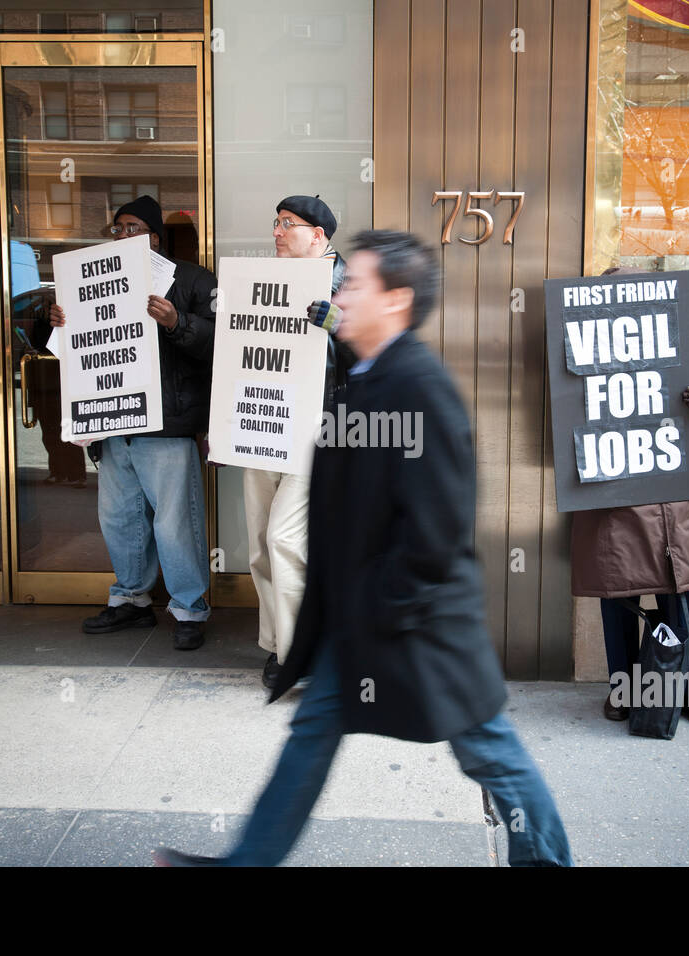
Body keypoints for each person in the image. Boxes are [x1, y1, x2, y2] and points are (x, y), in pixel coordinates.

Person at [156, 230, 572, 866]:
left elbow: (437, 531)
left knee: (489, 754)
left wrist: (380, 609)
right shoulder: (364, 373)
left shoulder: (421, 389)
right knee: (312, 735)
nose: (340, 294)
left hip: (420, 625)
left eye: (354, 285)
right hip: (364, 618)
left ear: (397, 300)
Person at [50, 196, 216, 649]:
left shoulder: (192, 280)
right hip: (113, 422)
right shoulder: (93, 282)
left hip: (167, 424)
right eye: (117, 228)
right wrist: (61, 323)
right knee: (120, 519)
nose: (121, 235)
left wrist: (177, 321)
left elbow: (220, 345)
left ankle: (188, 609)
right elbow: (68, 348)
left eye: (131, 228)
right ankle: (131, 600)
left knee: (175, 522)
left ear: (154, 238)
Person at [247, 195, 355, 689]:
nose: (276, 232)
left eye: (287, 224)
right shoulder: (261, 282)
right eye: (275, 223)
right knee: (259, 547)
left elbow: (381, 351)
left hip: (321, 430)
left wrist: (336, 322)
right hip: (262, 424)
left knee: (284, 539)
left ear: (319, 235)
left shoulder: (351, 285)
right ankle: (278, 645)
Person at [571, 386, 689, 732]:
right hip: (615, 498)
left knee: (680, 601)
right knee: (618, 598)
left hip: (668, 499)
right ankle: (624, 687)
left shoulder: (665, 350)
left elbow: (686, 430)